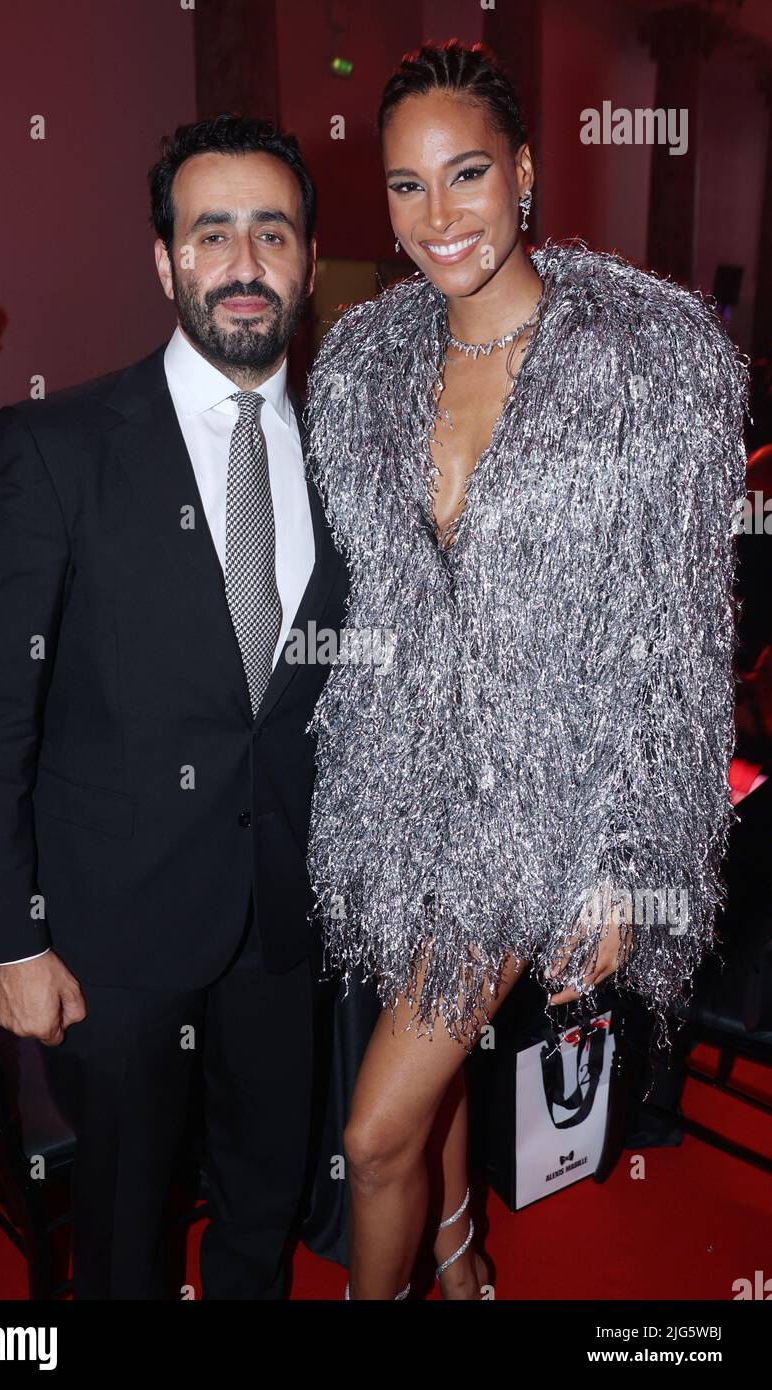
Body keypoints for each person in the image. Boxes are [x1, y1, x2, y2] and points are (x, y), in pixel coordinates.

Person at [303, 41, 748, 1300]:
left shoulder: (646, 371)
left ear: (526, 171)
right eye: (403, 188)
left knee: (375, 1131)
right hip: (396, 792)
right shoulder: (363, 372)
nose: (436, 218)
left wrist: (625, 855)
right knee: (430, 1092)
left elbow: (674, 643)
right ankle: (462, 1267)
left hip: (538, 802)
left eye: (464, 175)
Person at [0, 114, 349, 1299]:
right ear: (163, 260)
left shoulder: (346, 458)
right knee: (120, 1236)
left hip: (282, 929)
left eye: (269, 232)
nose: (240, 261)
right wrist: (10, 938)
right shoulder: (53, 446)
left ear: (307, 262)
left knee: (261, 1203)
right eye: (208, 231)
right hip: (108, 944)